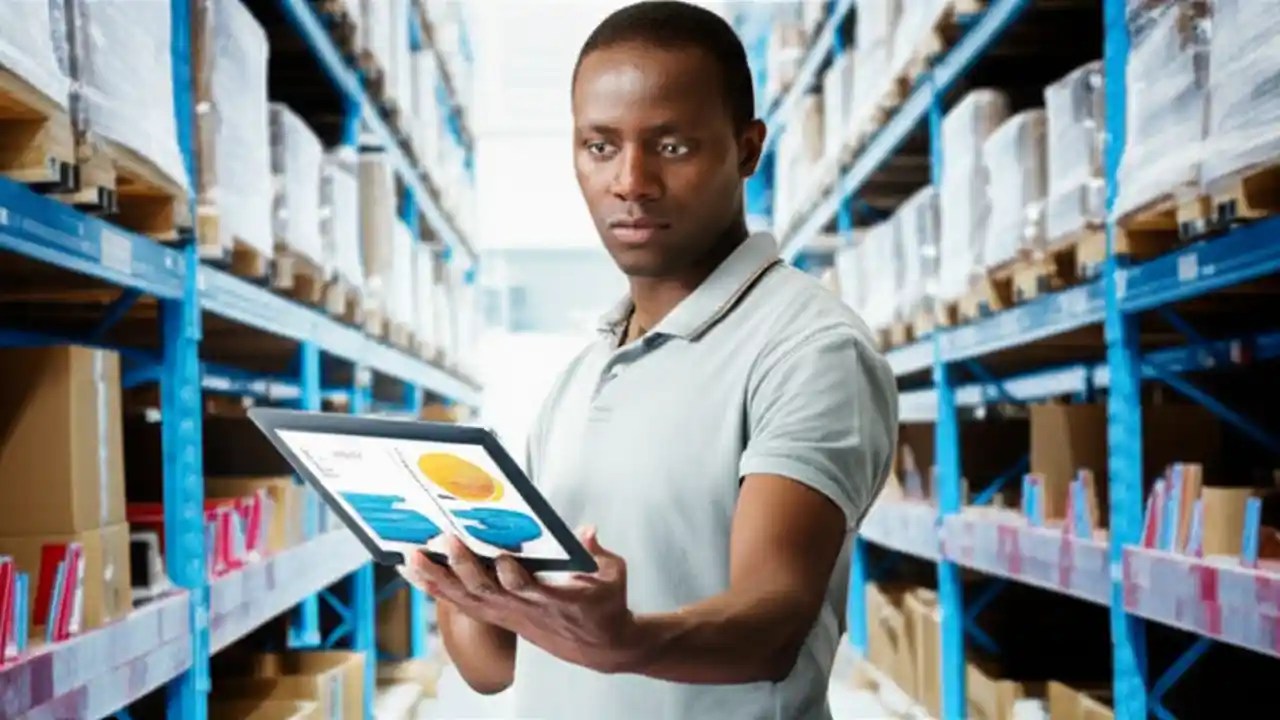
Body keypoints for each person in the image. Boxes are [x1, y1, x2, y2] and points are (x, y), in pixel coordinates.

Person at [399, 2, 898, 718]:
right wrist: (450, 565)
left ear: (747, 149)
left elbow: (774, 623)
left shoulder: (809, 348)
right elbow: (491, 666)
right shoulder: (578, 379)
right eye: (600, 147)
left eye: (670, 147)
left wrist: (625, 640)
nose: (630, 181)